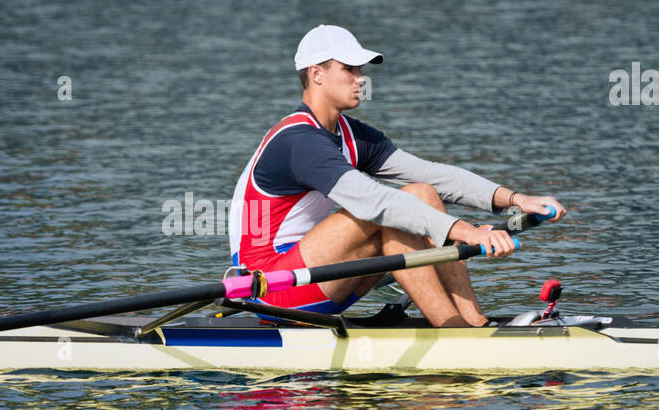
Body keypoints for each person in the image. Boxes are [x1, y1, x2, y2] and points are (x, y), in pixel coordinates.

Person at [227, 25, 568, 327]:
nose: (360, 78)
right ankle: (451, 331)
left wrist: (516, 199)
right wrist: (468, 232)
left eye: (360, 69)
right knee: (390, 211)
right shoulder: (298, 141)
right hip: (271, 287)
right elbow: (375, 202)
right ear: (317, 74)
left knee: (421, 191)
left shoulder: (350, 134)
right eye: (349, 69)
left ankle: (472, 322)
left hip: (321, 274)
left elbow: (432, 175)